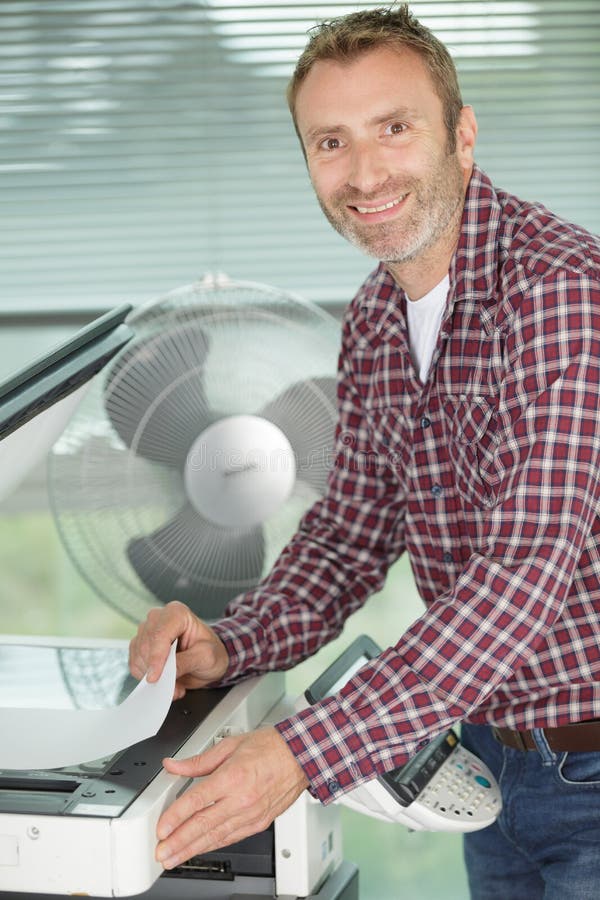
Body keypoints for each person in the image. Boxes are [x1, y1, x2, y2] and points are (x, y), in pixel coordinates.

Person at [128, 5, 600, 897]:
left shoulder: (559, 292)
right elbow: (348, 537)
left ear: (461, 136)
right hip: (490, 763)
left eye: (394, 128)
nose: (366, 172)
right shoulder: (379, 319)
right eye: (330, 142)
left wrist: (302, 754)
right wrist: (228, 644)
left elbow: (521, 575)